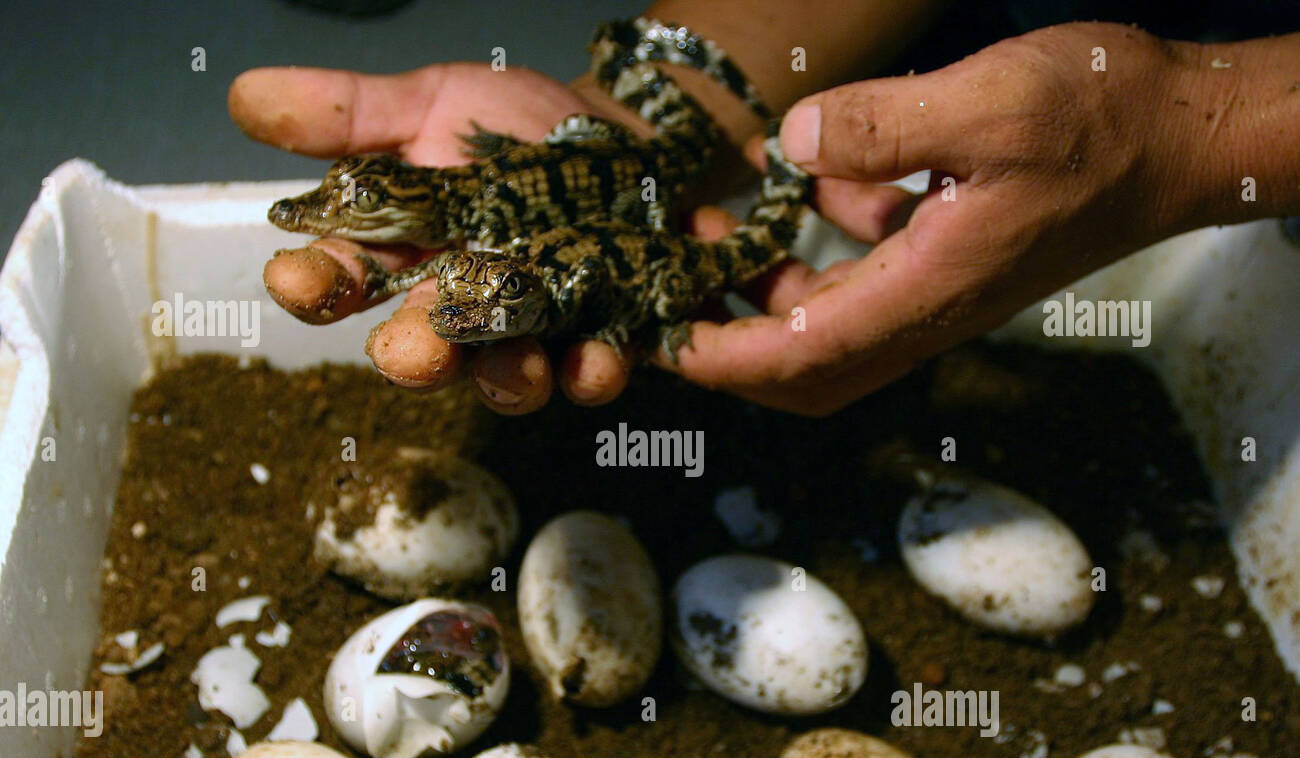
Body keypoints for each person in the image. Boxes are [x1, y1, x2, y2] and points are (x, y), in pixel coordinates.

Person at [230, 0, 1300, 416]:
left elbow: (610, 261)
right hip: (972, 72)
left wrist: (1189, 136)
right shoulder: (482, 236)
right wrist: (682, 92)